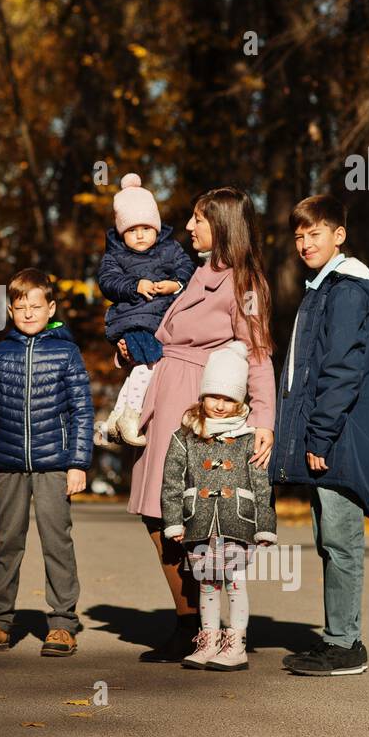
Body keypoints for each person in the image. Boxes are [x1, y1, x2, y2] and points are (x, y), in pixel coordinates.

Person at [120, 187, 276, 663]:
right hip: (167, 389)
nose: (188, 227)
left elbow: (257, 354)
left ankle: (196, 625)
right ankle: (191, 620)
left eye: (198, 220)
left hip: (195, 401)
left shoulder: (244, 284)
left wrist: (265, 418)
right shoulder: (199, 272)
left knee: (178, 511)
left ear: (224, 225)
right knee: (157, 511)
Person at [270, 194, 369, 676]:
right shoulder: (322, 289)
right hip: (328, 435)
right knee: (328, 539)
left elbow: (341, 370)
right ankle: (337, 636)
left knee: (341, 540)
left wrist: (319, 438)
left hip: (338, 437)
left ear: (338, 235)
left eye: (314, 233)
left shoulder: (345, 291)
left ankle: (347, 645)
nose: (304, 243)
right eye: (298, 235)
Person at [0, 268, 94, 657]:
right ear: (10, 310)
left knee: (57, 541)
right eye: (21, 307)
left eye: (37, 306)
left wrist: (78, 463)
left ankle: (62, 623)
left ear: (50, 308)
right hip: (7, 464)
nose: (29, 313)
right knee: (7, 542)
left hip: (56, 463)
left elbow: (82, 411)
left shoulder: (66, 352)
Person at [161, 341, 276, 671]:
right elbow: (172, 481)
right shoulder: (185, 436)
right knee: (208, 584)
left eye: (229, 398)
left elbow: (261, 484)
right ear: (203, 395)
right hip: (198, 523)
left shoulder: (248, 436)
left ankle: (236, 643)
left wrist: (265, 525)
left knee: (235, 583)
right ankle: (208, 639)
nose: (221, 406)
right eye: (215, 396)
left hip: (237, 524)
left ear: (240, 400)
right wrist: (173, 521)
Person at [97, 173, 196, 446]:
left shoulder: (170, 249)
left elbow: (187, 270)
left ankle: (118, 414)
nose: (139, 235)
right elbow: (107, 281)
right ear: (121, 232)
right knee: (150, 362)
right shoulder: (115, 255)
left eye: (146, 228)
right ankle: (132, 414)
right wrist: (133, 285)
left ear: (157, 228)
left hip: (158, 320)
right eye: (131, 230)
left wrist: (174, 285)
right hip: (132, 320)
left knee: (141, 367)